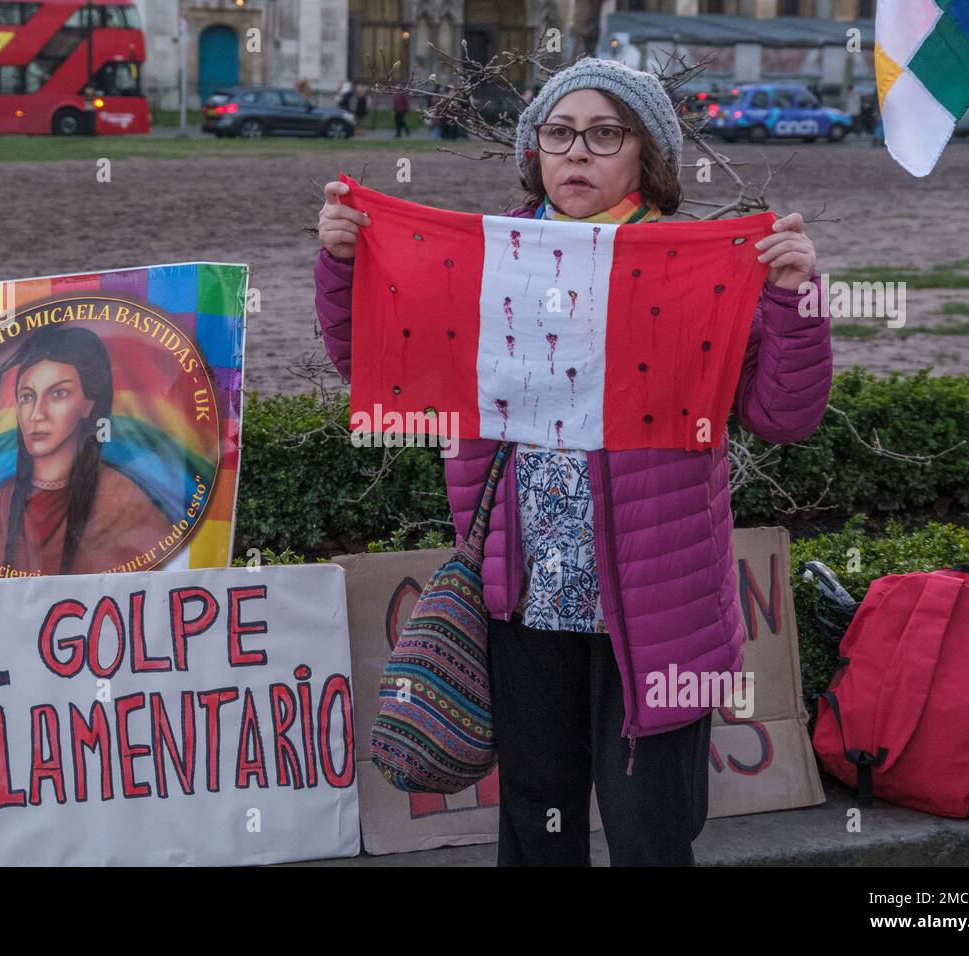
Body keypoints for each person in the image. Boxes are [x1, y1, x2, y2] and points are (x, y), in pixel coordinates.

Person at [314, 58, 831, 866]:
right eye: (559, 133)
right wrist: (347, 266)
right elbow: (382, 364)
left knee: (651, 833)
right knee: (536, 824)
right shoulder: (484, 267)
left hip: (661, 615)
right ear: (536, 152)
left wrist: (797, 298)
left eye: (603, 133)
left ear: (645, 155)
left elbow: (782, 416)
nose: (578, 152)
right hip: (525, 606)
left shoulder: (692, 270)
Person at [0, 326, 166, 576]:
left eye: (58, 393)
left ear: (89, 404)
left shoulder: (127, 504)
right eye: (27, 397)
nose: (37, 414)